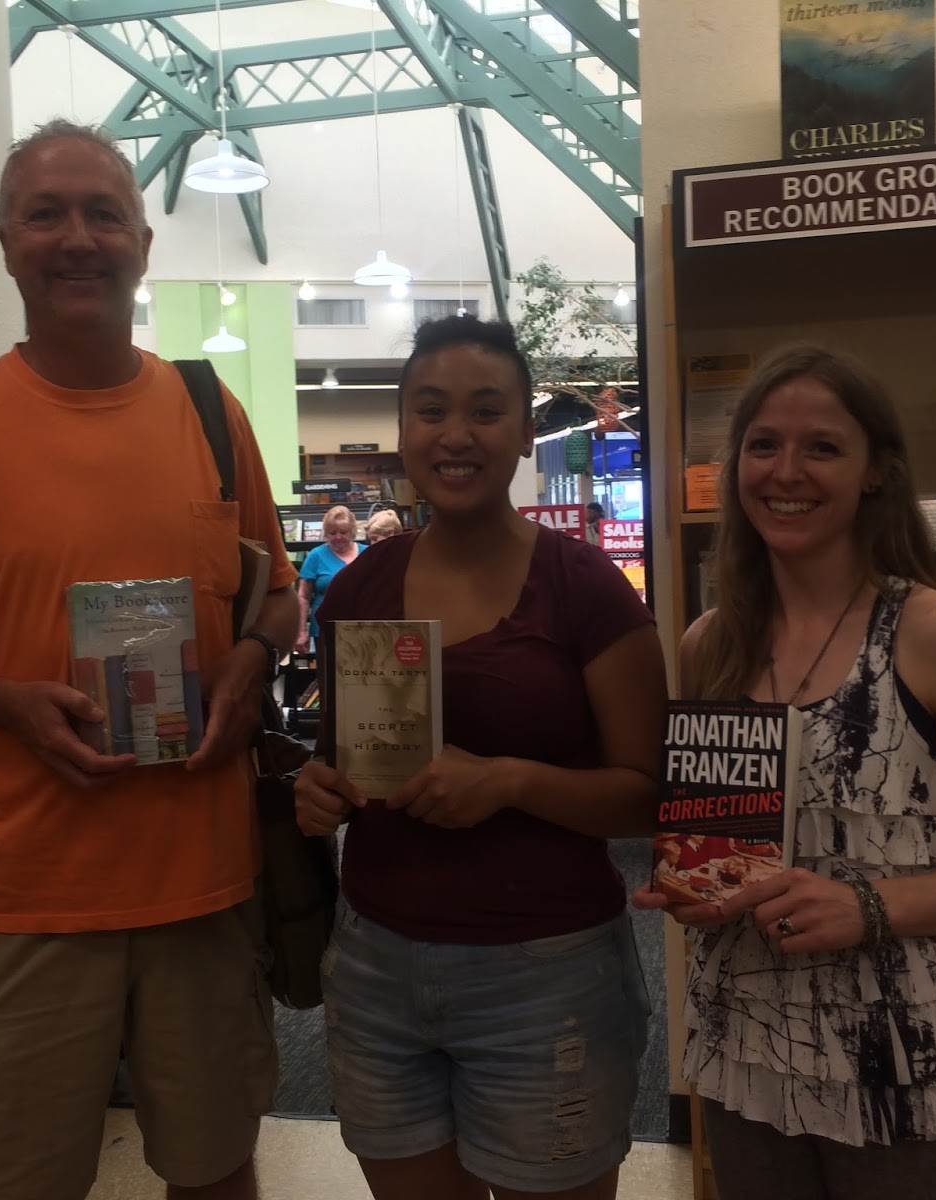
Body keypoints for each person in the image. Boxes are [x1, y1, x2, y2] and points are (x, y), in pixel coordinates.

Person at [0, 119, 300, 1200]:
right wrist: (5, 706)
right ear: (4, 242)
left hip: (205, 893)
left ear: (141, 241)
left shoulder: (212, 416)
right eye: (47, 213)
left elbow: (284, 596)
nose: (77, 238)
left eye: (102, 213)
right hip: (27, 899)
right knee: (10, 1182)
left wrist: (252, 657)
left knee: (216, 1169)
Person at [633, 344, 936, 1200]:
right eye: (763, 445)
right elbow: (723, 848)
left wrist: (868, 905)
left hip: (904, 1054)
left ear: (875, 472)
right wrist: (699, 890)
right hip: (747, 1049)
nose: (785, 471)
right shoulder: (708, 644)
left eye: (823, 448)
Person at [294, 317, 668, 1200]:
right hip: (378, 964)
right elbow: (343, 764)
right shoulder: (356, 590)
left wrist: (509, 782)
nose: (455, 435)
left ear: (521, 433)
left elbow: (648, 794)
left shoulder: (583, 587)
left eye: (486, 410)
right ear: (402, 429)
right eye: (431, 410)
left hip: (547, 973)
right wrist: (320, 793)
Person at [296, 503, 360, 651]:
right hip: (325, 629)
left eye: (343, 532)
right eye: (332, 532)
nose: (338, 537)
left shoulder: (367, 554)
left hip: (362, 629)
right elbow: (303, 597)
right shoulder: (315, 556)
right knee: (328, 672)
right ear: (326, 533)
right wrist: (301, 632)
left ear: (352, 531)